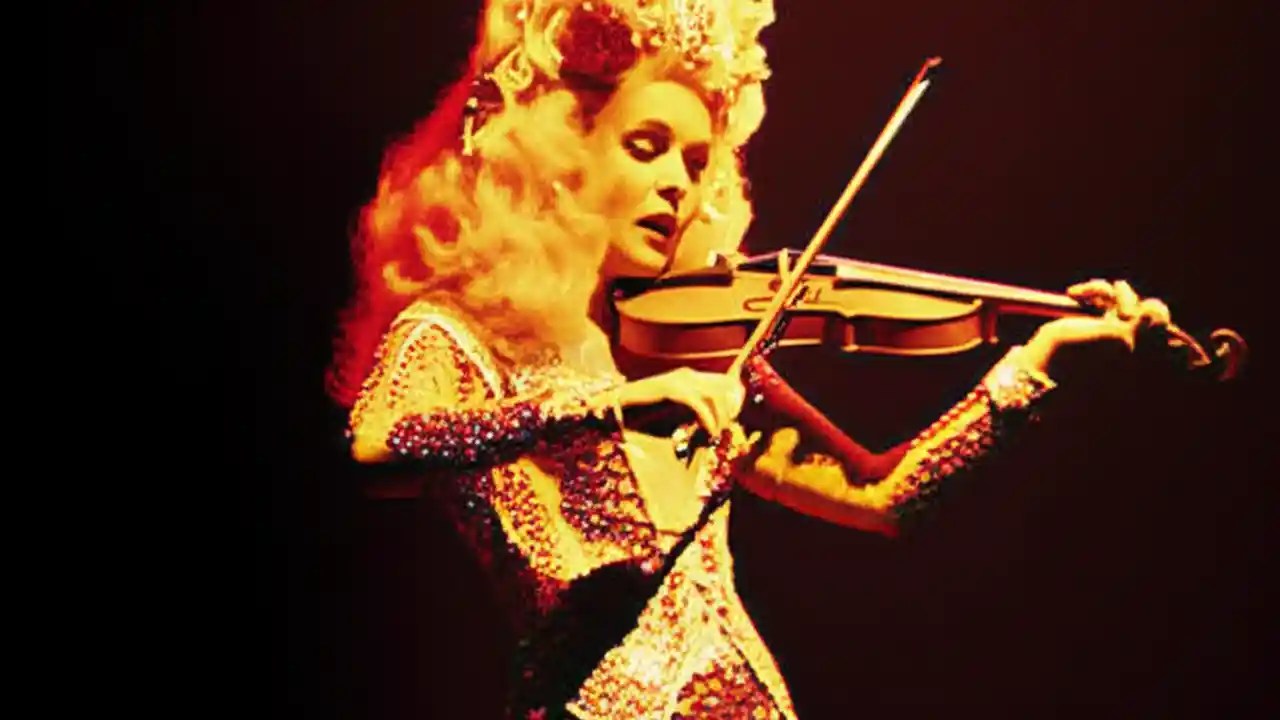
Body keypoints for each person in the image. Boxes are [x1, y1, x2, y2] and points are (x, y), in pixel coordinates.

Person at [327, 1, 1173, 717]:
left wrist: (1038, 360)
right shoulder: (461, 338)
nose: (678, 183)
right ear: (564, 152)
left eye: (698, 163)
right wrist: (602, 407)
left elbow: (884, 497)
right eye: (647, 146)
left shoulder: (699, 356)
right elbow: (375, 445)